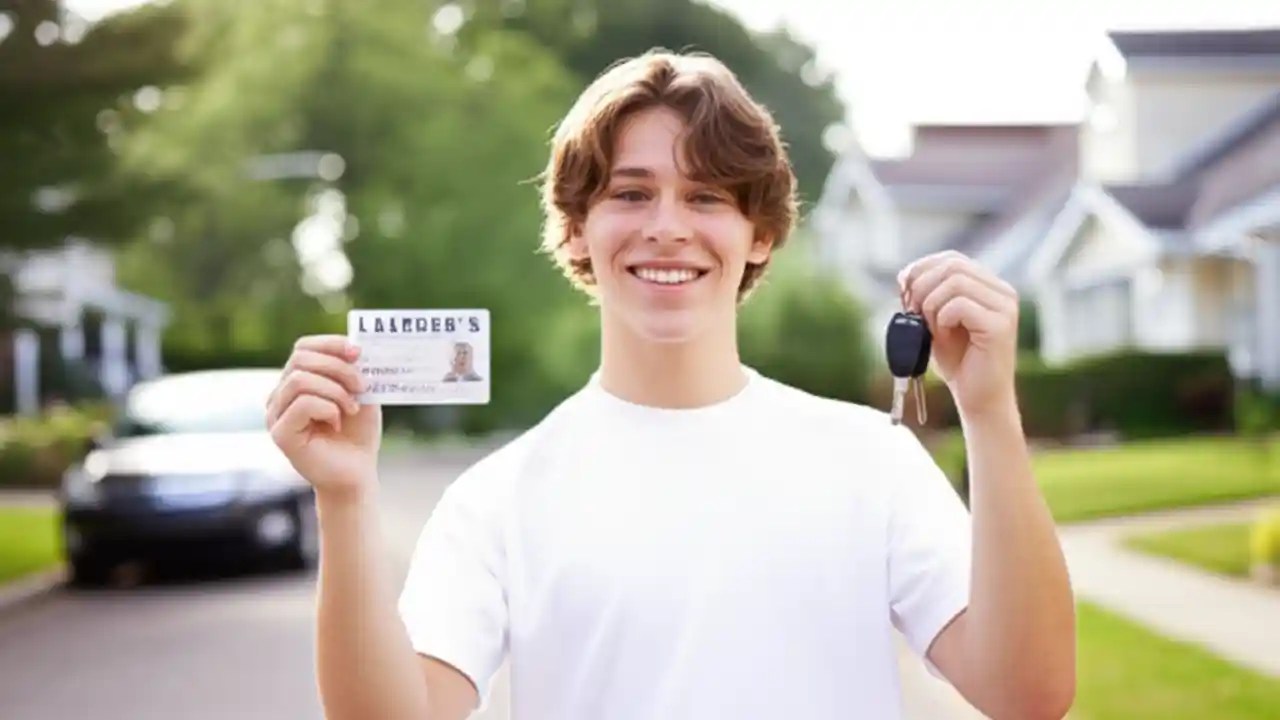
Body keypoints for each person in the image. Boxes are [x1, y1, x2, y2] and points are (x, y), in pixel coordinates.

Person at [265, 50, 1076, 720]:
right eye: (630, 192)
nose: (667, 225)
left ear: (758, 233)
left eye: (706, 196)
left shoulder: (874, 460)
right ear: (577, 227)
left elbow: (1030, 694)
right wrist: (342, 500)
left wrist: (990, 412)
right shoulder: (500, 497)